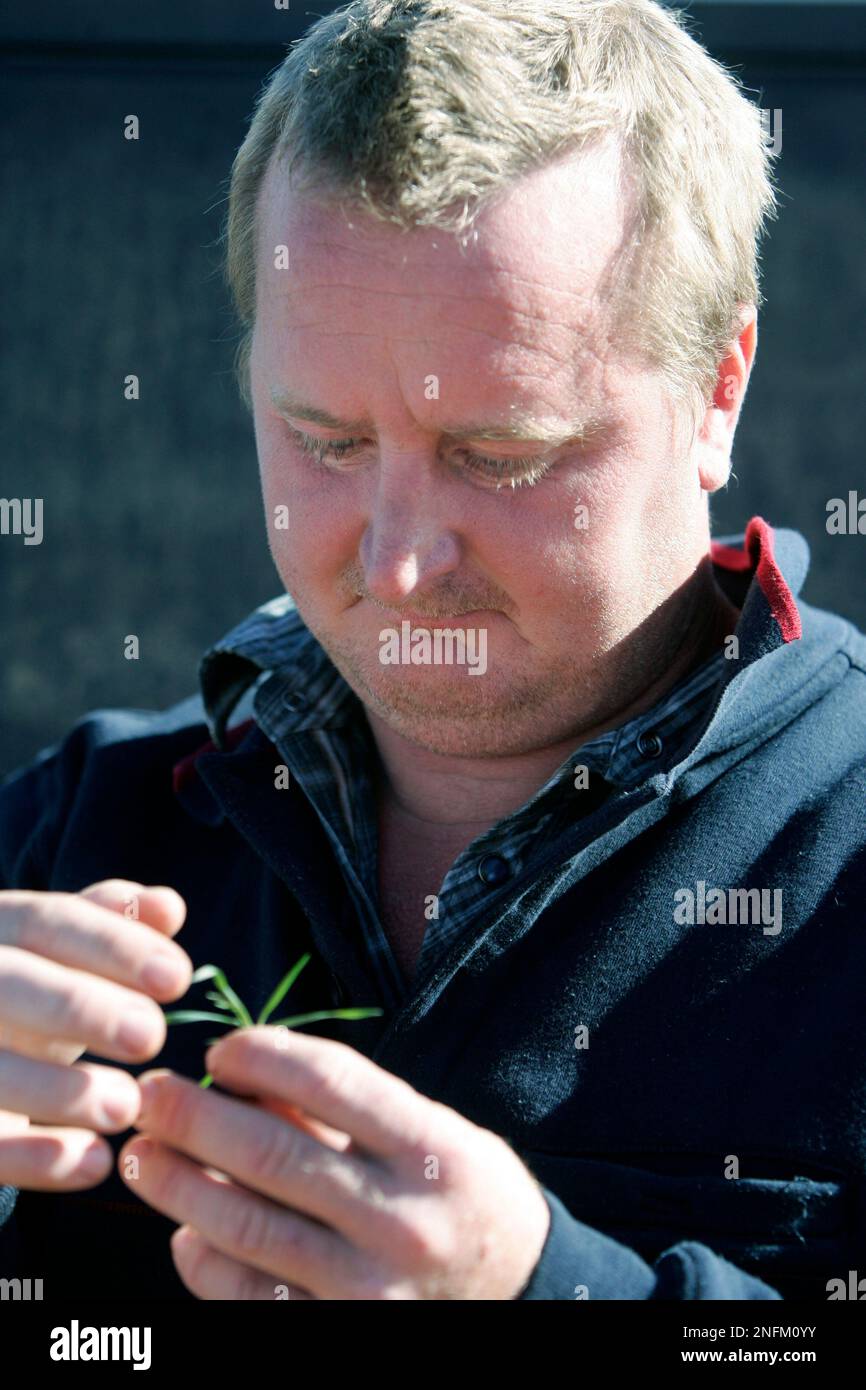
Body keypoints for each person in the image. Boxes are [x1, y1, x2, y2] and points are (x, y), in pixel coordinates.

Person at [1, 0, 863, 1301]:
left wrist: (544, 1286)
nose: (398, 561)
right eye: (326, 442)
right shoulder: (73, 836)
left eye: (499, 455)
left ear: (719, 388)